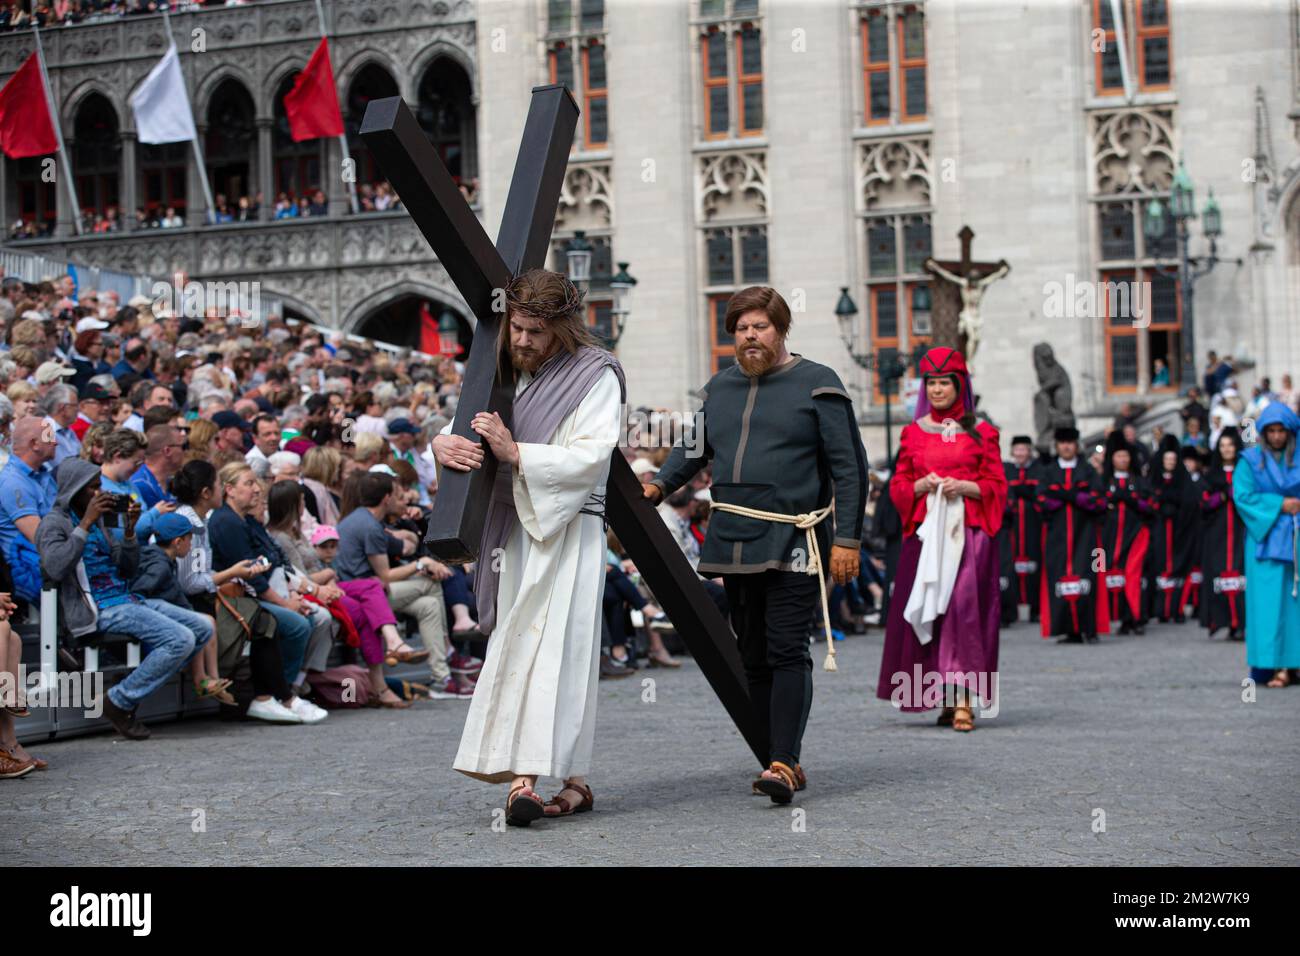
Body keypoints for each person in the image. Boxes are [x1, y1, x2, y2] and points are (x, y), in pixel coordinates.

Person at [643, 285, 867, 800]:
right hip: (735, 537)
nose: (750, 335)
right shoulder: (719, 389)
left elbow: (850, 468)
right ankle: (776, 757)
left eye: (759, 326)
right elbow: (692, 449)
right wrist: (658, 485)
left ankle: (784, 762)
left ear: (780, 329)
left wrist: (848, 540)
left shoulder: (819, 384)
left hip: (796, 536)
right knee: (754, 654)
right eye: (741, 328)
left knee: (788, 648)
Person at [434, 267, 628, 825]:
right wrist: (441, 443)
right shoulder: (499, 370)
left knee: (559, 650)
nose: (522, 340)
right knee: (518, 643)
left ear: (563, 329)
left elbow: (592, 456)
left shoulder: (597, 375)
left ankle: (537, 779)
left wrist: (519, 453)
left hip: (566, 529)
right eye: (517, 327)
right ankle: (557, 780)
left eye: (536, 332)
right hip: (515, 529)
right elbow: (462, 434)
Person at [871, 347, 1005, 732]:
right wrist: (919, 486)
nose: (937, 390)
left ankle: (965, 700)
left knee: (964, 611)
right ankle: (941, 698)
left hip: (970, 535)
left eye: (945, 382)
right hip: (925, 537)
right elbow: (897, 486)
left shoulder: (983, 433)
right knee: (931, 611)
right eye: (931, 383)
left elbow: (998, 486)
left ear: (959, 385)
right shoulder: (912, 434)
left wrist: (965, 486)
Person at [36, 459, 213, 740]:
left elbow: (127, 568)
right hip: (96, 607)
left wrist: (130, 531)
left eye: (99, 488)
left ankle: (127, 690)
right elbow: (55, 566)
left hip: (126, 598)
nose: (99, 494)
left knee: (203, 628)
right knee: (181, 639)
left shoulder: (100, 523)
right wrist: (84, 524)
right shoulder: (54, 523)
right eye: (93, 489)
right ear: (75, 490)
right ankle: (119, 700)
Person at [207, 462, 328, 722]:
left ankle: (285, 691)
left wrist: (294, 596)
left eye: (255, 483)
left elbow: (271, 565)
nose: (256, 489)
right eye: (248, 483)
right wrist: (286, 604)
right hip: (233, 599)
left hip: (255, 594)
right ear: (229, 489)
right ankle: (279, 693)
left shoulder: (246, 521)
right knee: (294, 623)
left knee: (308, 618)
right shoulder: (227, 522)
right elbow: (253, 578)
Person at [131, 512, 232, 704]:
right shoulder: (159, 566)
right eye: (189, 539)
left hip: (163, 613)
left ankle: (209, 677)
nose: (192, 544)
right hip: (153, 620)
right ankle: (202, 678)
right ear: (178, 542)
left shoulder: (164, 559)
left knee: (200, 620)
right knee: (202, 623)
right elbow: (141, 593)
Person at [1233, 403, 1300, 687]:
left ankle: (1292, 663)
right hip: (1266, 542)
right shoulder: (1249, 461)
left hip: (1297, 538)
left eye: (1280, 430)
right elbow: (1243, 497)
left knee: (1294, 605)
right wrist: (1279, 504)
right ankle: (1272, 665)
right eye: (1270, 431)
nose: (1275, 436)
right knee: (1268, 605)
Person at [1036, 426, 1110, 644]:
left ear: (1076, 446)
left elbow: (1099, 500)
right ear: (1057, 446)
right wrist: (1068, 498)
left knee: (1089, 578)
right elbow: (1040, 501)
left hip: (1086, 536)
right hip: (1057, 537)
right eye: (1062, 443)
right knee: (1059, 580)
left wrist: (1071, 497)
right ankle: (1067, 629)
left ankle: (1090, 627)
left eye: (1070, 443)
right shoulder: (1048, 471)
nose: (1066, 447)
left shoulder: (1087, 470)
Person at [1099, 430, 1152, 635]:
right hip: (1107, 540)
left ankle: (1135, 617)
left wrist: (1131, 500)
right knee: (1106, 576)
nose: (1122, 459)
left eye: (1125, 456)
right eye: (1118, 456)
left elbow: (1149, 505)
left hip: (1135, 536)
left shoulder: (1138, 481)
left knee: (1133, 577)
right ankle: (1114, 617)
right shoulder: (1104, 481)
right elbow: (1097, 504)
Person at [0, 416, 58, 602]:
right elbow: (40, 537)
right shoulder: (13, 482)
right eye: (50, 437)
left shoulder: (43, 475)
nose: (56, 442)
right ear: (34, 444)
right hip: (28, 569)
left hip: (53, 558)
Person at [1199, 427, 1246, 641]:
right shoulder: (1211, 476)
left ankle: (1242, 623)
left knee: (1240, 576)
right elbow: (1202, 503)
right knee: (1220, 576)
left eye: (1230, 445)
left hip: (1240, 530)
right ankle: (1224, 620)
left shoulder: (1246, 472)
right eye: (1222, 445)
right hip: (1217, 533)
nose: (1226, 449)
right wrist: (1223, 497)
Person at [1145, 435, 1197, 624]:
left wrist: (1174, 506)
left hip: (1178, 530)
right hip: (1159, 528)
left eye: (1173, 460)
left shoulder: (1183, 481)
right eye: (1167, 459)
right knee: (1158, 567)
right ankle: (1159, 608)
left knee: (1177, 568)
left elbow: (1190, 502)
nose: (1170, 463)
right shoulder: (1153, 480)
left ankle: (1176, 608)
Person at [998, 434, 1042, 625]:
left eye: (1024, 449)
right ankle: (1011, 609)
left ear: (1029, 451)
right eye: (1017, 450)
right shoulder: (1006, 470)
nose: (1020, 453)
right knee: (1010, 568)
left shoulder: (1039, 470)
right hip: (1012, 527)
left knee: (1035, 566)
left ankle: (1035, 608)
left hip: (1033, 526)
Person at [131, 424, 184, 509]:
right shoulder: (140, 485)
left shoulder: (171, 480)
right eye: (182, 446)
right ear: (167, 451)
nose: (184, 451)